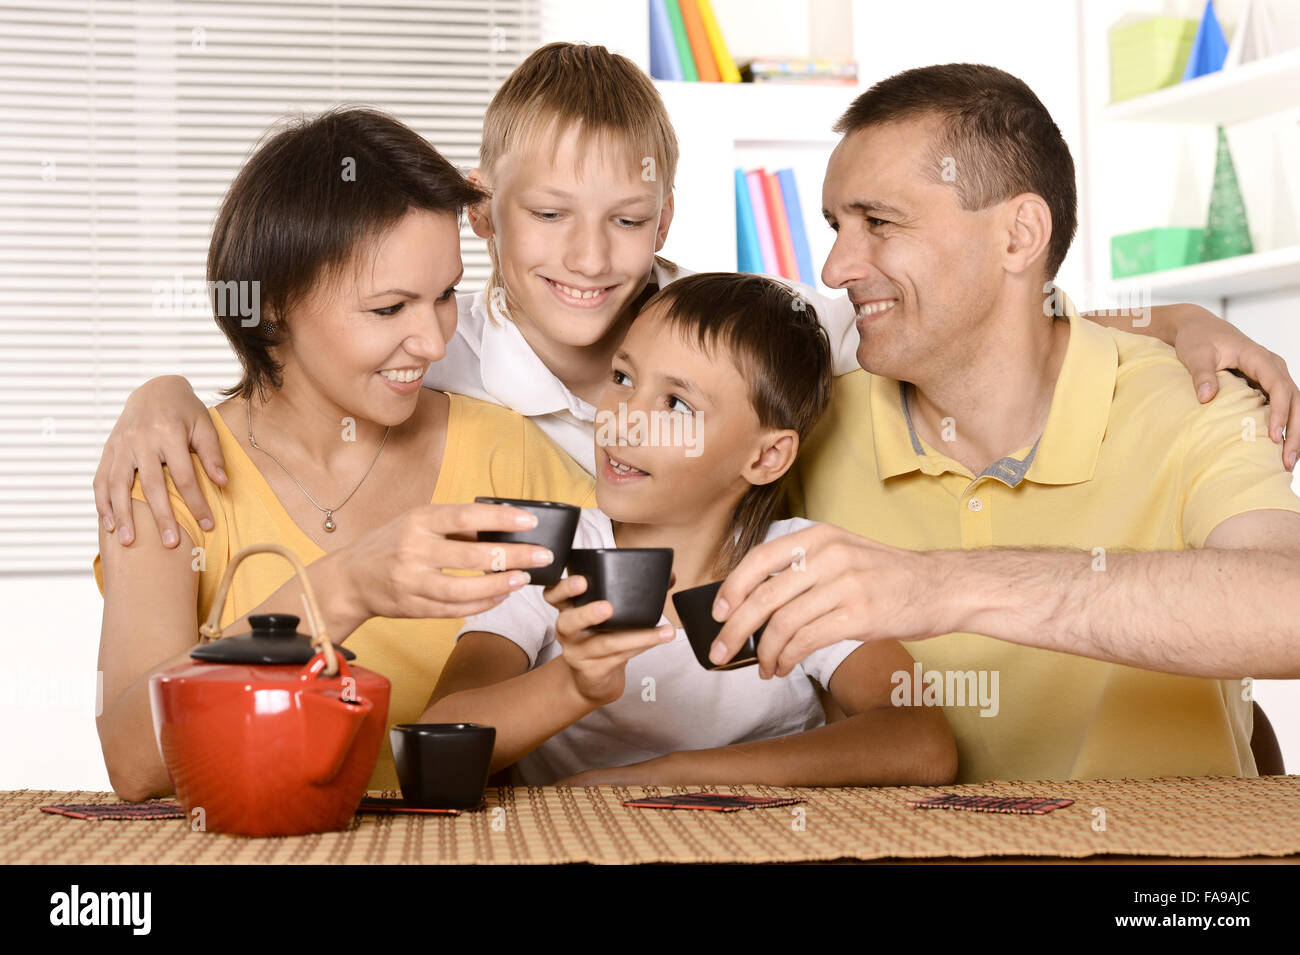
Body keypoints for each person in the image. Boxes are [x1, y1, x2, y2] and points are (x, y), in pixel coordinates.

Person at [93, 43, 1299, 550]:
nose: (588, 256)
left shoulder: (743, 335)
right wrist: (162, 393)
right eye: (546, 216)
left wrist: (1169, 319)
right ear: (482, 216)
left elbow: (963, 313)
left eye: (626, 220)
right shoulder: (438, 360)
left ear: (665, 219)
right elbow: (302, 380)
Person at [704, 64, 1300, 783]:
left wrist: (941, 586)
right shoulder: (810, 421)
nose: (834, 268)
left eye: (880, 223)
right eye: (836, 226)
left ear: (1019, 235)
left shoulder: (1192, 402)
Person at [93, 108, 595, 800]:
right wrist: (346, 586)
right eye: (389, 309)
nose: (433, 341)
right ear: (272, 307)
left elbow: (667, 585)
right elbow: (132, 760)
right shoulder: (171, 472)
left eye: (446, 295)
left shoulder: (501, 450)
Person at [424, 273, 956, 786]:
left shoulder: (797, 570)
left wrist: (673, 775)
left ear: (768, 456)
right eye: (622, 378)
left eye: (676, 403)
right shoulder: (543, 548)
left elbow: (920, 741)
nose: (624, 419)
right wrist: (574, 684)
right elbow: (437, 748)